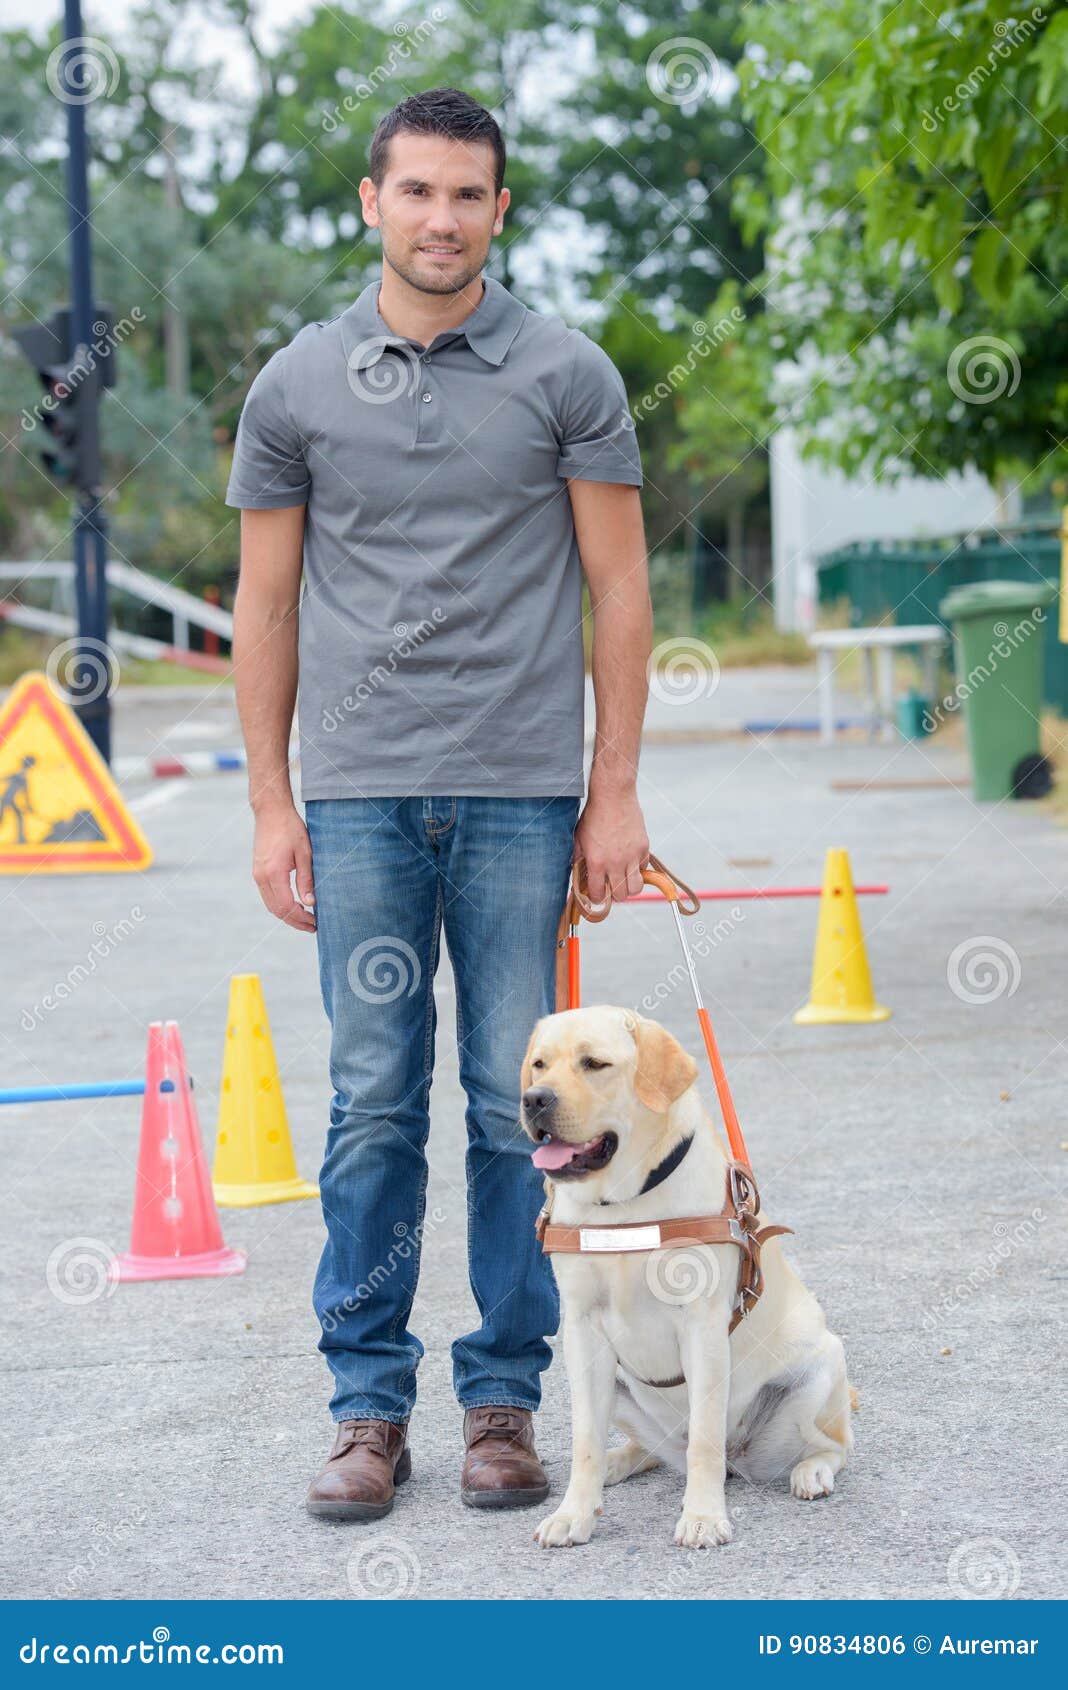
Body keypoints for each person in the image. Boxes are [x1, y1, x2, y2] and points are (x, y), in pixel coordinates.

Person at [226, 87, 651, 1522]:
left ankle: (504, 1401)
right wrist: (272, 802)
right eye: (416, 190)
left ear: (500, 209)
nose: (442, 218)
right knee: (369, 1106)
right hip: (357, 797)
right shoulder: (296, 383)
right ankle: (365, 1408)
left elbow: (619, 588)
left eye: (469, 194)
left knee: (518, 1106)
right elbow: (266, 603)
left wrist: (613, 793)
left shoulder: (567, 373)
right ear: (372, 201)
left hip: (523, 792)